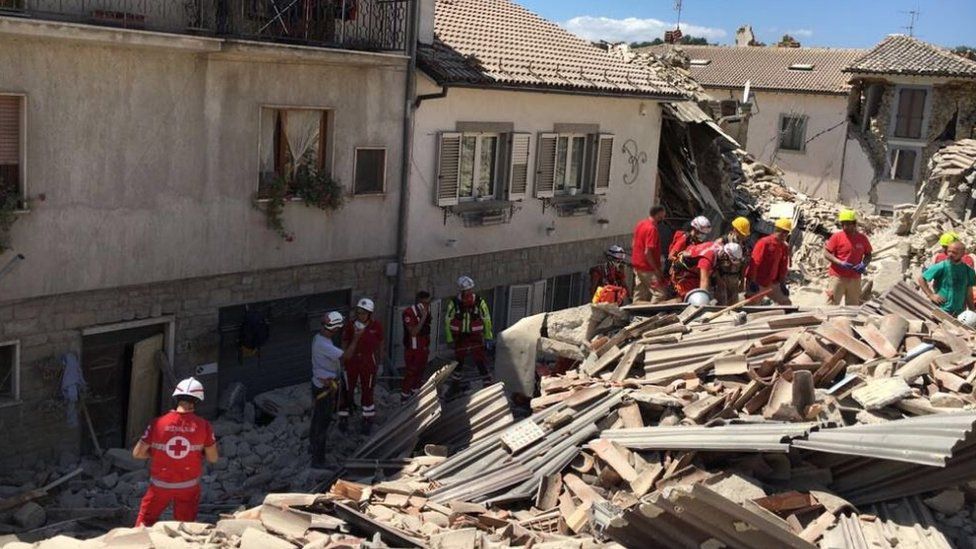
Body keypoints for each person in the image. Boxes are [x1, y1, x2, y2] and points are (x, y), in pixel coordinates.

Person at [132, 377, 218, 526]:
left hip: (160, 486)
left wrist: (157, 454)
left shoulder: (158, 423)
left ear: (176, 398)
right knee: (185, 527)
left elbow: (137, 453)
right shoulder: (204, 426)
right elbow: (213, 458)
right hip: (188, 487)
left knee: (144, 523)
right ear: (197, 401)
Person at [339, 298, 384, 435]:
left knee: (367, 390)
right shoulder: (350, 326)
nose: (361, 315)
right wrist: (342, 362)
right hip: (351, 362)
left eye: (364, 313)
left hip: (368, 363)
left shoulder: (376, 327)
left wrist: (380, 363)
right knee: (347, 390)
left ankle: (367, 418)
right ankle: (343, 417)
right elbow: (344, 343)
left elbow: (380, 345)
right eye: (358, 312)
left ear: (369, 314)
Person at [445, 276, 493, 392]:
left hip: (475, 336)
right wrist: (449, 338)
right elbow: (447, 321)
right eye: (466, 290)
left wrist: (488, 337)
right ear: (461, 291)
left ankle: (487, 383)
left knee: (479, 359)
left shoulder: (479, 302)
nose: (469, 292)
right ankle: (455, 386)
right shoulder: (454, 303)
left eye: (470, 289)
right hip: (460, 337)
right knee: (459, 361)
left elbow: (486, 319)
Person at [310, 311, 344, 468]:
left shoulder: (319, 338)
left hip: (320, 386)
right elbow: (346, 356)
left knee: (317, 419)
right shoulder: (324, 344)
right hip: (324, 389)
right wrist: (357, 339)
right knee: (322, 423)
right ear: (335, 329)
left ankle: (313, 448)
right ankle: (318, 461)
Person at [823, 209, 872, 306]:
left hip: (855, 278)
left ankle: (849, 322)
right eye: (843, 224)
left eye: (848, 224)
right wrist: (840, 262)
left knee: (852, 306)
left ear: (854, 224)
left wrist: (863, 264)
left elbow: (868, 254)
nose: (845, 227)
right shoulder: (837, 237)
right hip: (837, 276)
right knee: (831, 304)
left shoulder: (862, 238)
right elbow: (826, 253)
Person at [918, 241, 976, 316]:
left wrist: (972, 312)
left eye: (954, 252)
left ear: (962, 253)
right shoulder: (942, 266)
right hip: (941, 309)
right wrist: (931, 295)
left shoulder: (969, 271)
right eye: (949, 251)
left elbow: (969, 293)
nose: (950, 254)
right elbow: (921, 278)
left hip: (959, 313)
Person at [747, 218, 793, 305]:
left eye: (786, 233)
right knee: (752, 306)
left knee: (786, 304)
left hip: (772, 284)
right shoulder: (764, 243)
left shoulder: (784, 247)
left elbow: (783, 267)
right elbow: (754, 263)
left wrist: (782, 284)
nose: (784, 235)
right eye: (783, 232)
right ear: (776, 230)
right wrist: (752, 281)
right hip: (758, 282)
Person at [671, 241, 738, 300]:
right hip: (683, 274)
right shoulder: (707, 259)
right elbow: (704, 281)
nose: (728, 265)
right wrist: (703, 301)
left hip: (695, 270)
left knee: (719, 286)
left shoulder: (719, 248)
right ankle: (664, 305)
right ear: (725, 256)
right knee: (689, 298)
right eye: (729, 262)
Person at [631, 206, 668, 303]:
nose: (664, 218)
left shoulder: (641, 224)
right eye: (662, 215)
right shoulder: (652, 229)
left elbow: (634, 243)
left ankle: (635, 313)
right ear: (658, 214)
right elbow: (648, 252)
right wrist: (656, 269)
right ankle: (653, 314)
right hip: (648, 269)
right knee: (660, 293)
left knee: (640, 294)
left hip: (638, 266)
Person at [400, 291, 432, 403]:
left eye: (428, 303)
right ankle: (404, 398)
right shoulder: (409, 313)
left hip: (423, 347)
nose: (427, 306)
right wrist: (423, 317)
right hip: (413, 349)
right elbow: (413, 332)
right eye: (425, 303)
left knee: (420, 372)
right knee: (411, 373)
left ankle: (416, 395)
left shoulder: (427, 311)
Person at [713, 240, 746, 306]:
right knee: (722, 300)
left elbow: (742, 267)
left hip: (734, 278)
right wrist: (719, 281)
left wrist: (742, 282)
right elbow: (714, 269)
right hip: (722, 278)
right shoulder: (719, 256)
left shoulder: (739, 256)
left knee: (734, 302)